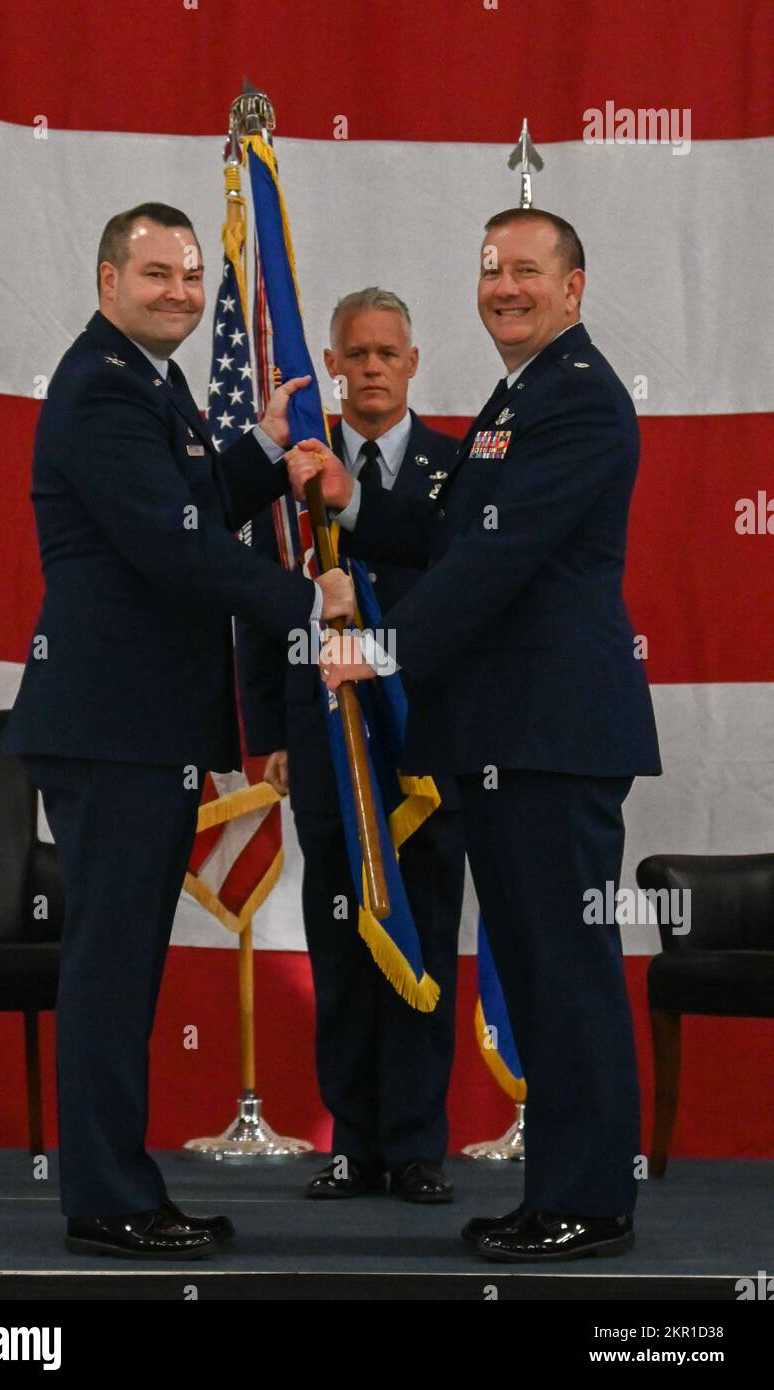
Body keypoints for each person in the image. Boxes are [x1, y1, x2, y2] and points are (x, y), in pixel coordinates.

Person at [286, 209, 662, 1262]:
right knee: (541, 968)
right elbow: (454, 529)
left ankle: (588, 1201)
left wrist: (383, 646)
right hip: (506, 733)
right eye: (492, 269)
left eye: (529, 271)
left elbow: (499, 563)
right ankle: (563, 1191)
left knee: (566, 971)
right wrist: (350, 500)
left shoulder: (580, 401)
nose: (505, 286)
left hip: (553, 733)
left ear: (576, 287)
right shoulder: (518, 399)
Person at [0, 202, 353, 1259]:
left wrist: (258, 451)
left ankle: (118, 1186)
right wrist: (307, 602)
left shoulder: (150, 382)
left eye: (194, 278)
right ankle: (107, 1200)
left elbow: (192, 500)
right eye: (158, 274)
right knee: (111, 971)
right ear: (108, 280)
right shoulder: (103, 389)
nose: (183, 294)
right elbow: (173, 544)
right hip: (114, 726)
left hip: (135, 725)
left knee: (124, 968)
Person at [237, 290, 466, 1203]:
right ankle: (353, 1144)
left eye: (387, 354)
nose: (370, 369)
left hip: (426, 752)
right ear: (330, 366)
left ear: (414, 362)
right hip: (324, 742)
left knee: (423, 939)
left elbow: (471, 602)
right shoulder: (297, 474)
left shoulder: (457, 474)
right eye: (354, 355)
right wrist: (272, 735)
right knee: (338, 945)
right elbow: (260, 609)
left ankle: (415, 1148)